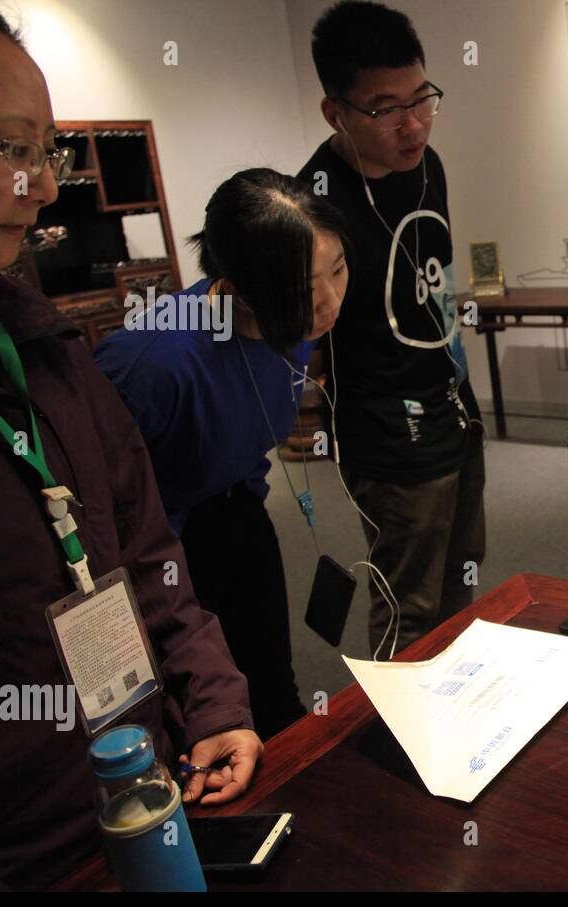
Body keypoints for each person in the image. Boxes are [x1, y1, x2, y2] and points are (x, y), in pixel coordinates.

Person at [0, 0, 260, 890]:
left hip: (141, 794)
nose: (46, 187)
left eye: (47, 152)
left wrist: (209, 696)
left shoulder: (41, 342)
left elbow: (142, 546)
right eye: (15, 151)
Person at [95, 169, 350, 739]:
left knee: (273, 692)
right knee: (194, 716)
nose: (330, 302)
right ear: (235, 286)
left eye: (337, 271)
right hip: (158, 547)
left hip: (238, 509)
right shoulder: (152, 363)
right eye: (306, 289)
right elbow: (96, 505)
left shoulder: (294, 320)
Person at [297, 1, 485, 654]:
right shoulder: (314, 204)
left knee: (461, 580)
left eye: (422, 98)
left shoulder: (427, 167)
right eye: (386, 108)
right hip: (388, 435)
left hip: (454, 408)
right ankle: (396, 745)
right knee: (408, 605)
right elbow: (304, 334)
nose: (414, 125)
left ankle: (454, 718)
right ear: (335, 112)